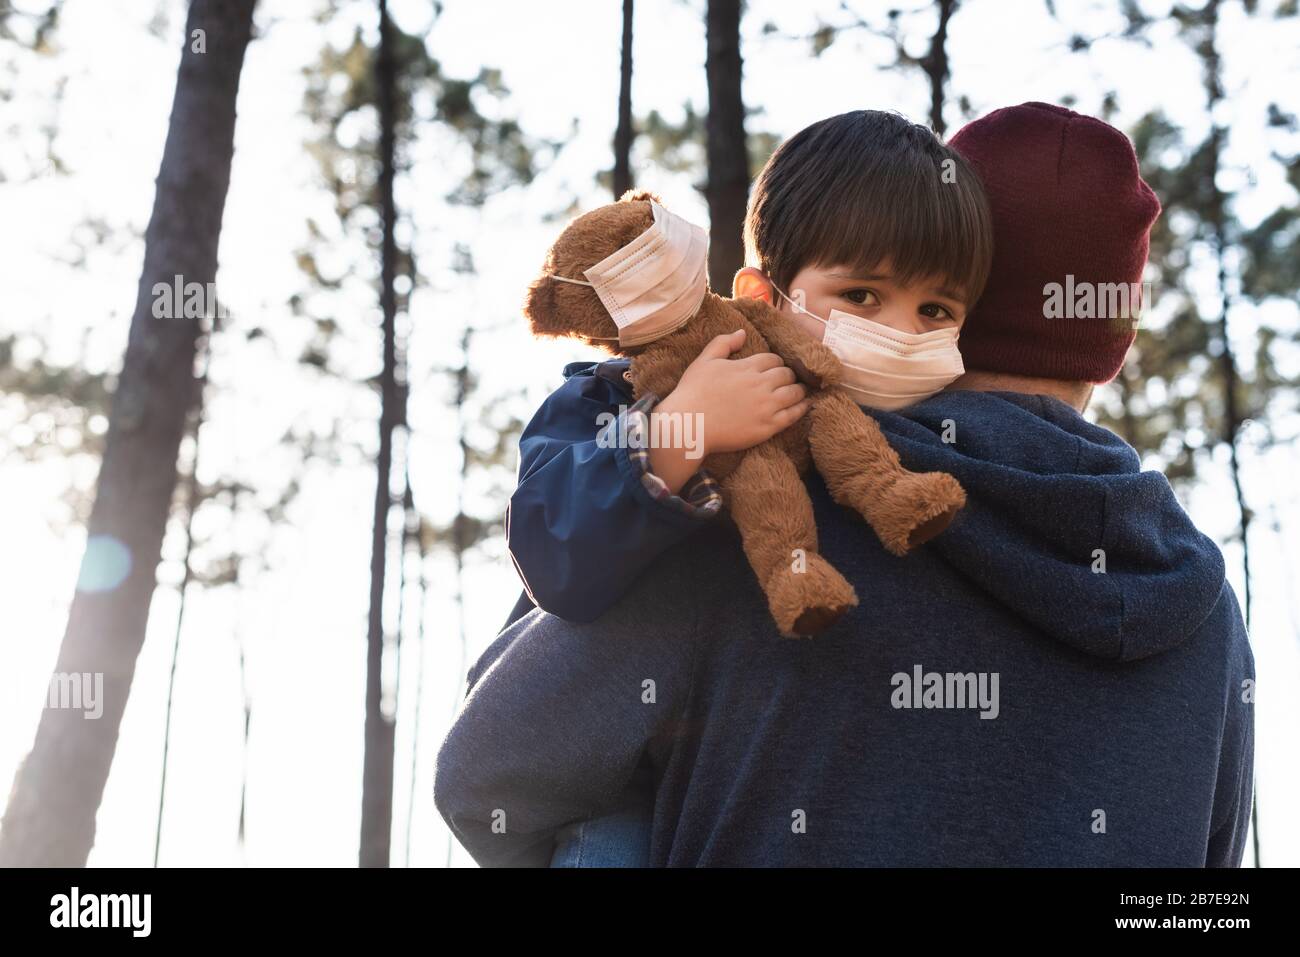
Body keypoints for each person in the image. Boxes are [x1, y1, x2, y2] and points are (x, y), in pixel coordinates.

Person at [435, 102, 1255, 867]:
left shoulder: (757, 510)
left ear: (969, 284)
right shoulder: (1201, 609)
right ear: (1118, 322)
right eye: (867, 294)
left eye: (928, 301)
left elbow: (489, 775)